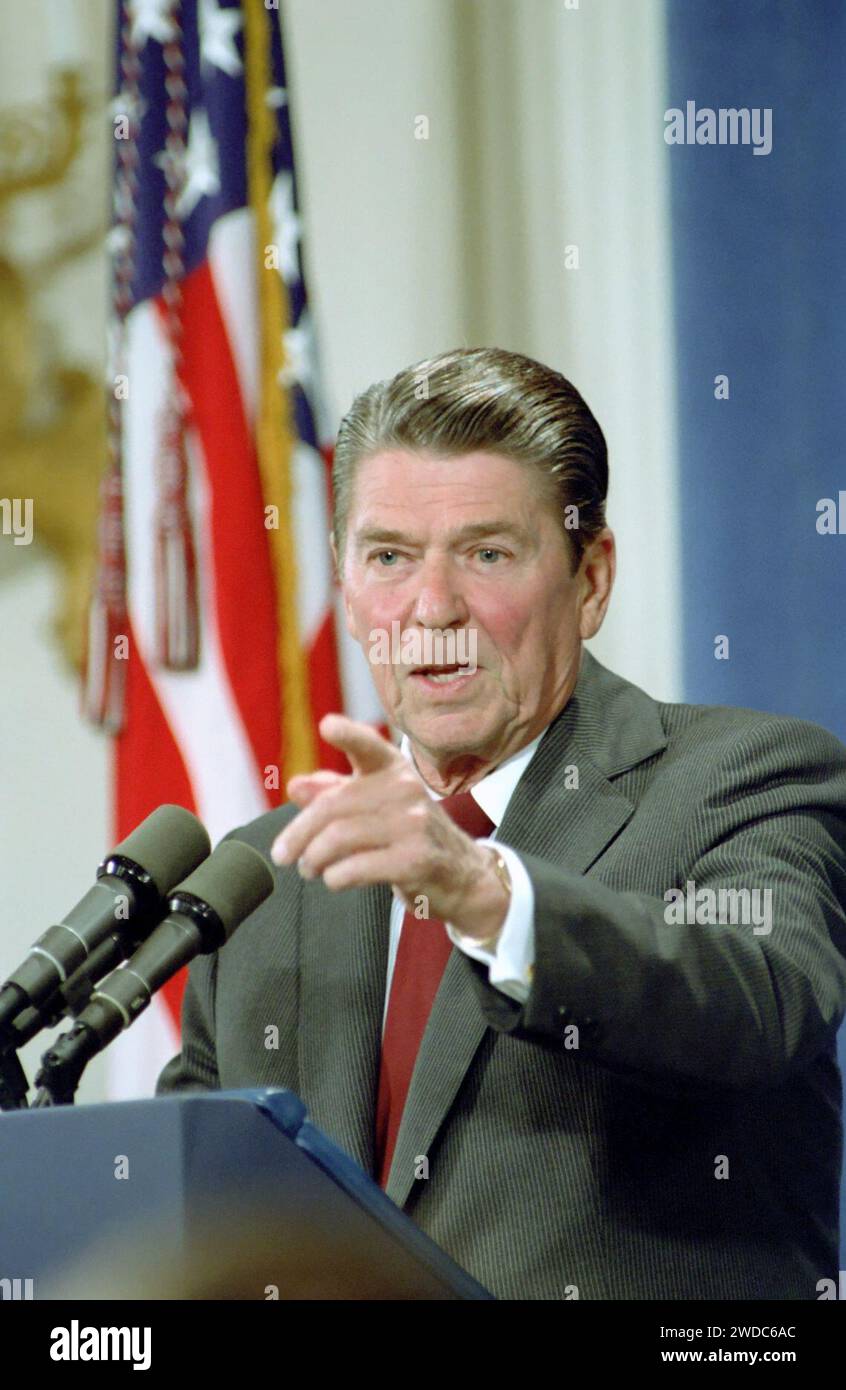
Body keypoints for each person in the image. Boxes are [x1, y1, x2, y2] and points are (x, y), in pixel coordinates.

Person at [157, 346, 846, 1300]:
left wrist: (480, 892)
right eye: (389, 557)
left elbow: (758, 1002)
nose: (432, 608)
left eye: (487, 554)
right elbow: (193, 1223)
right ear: (347, 591)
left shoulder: (747, 777)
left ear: (591, 579)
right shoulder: (267, 872)